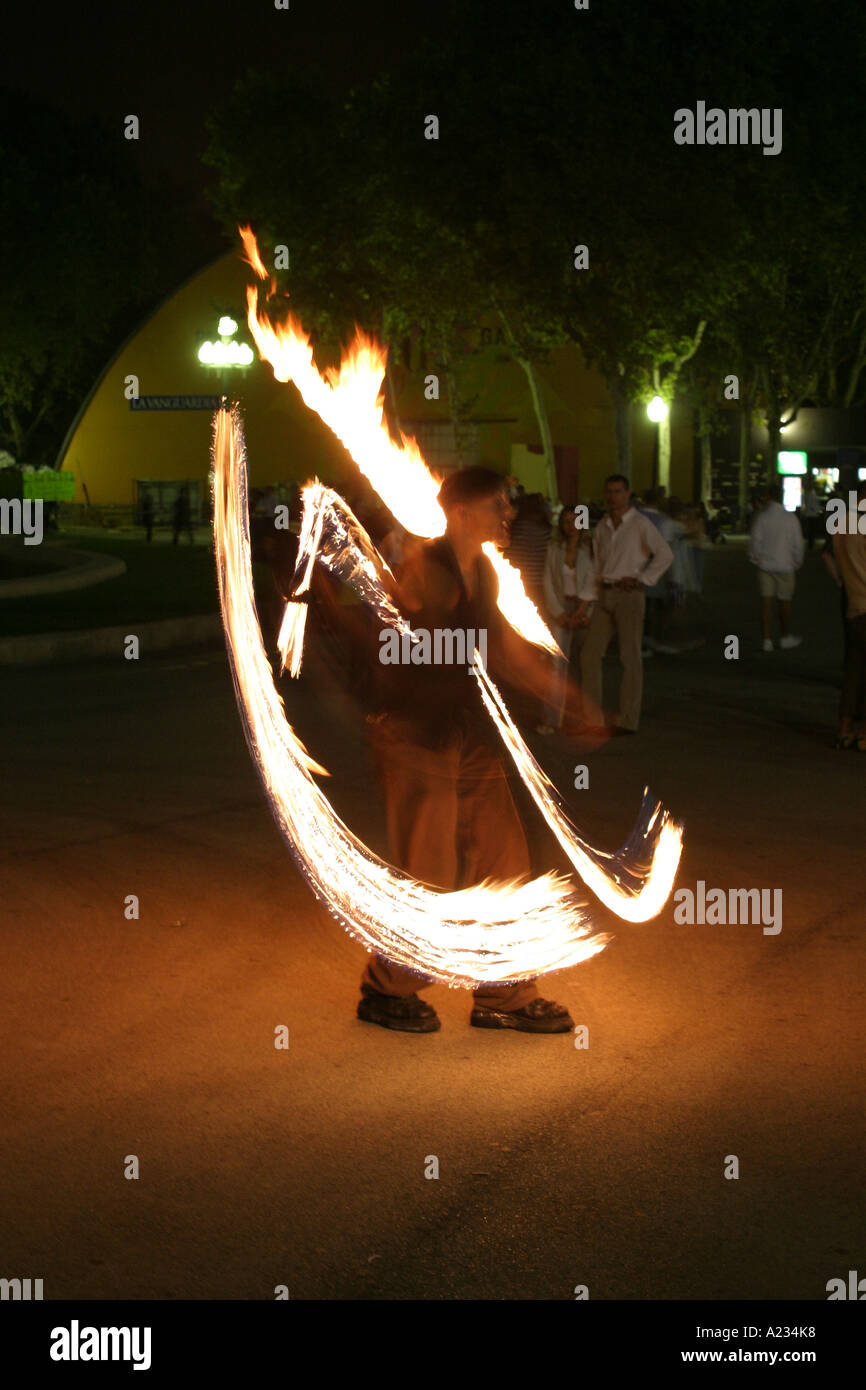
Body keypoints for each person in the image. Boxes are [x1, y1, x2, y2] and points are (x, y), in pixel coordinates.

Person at [357, 467, 597, 1036]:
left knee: (502, 862)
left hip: (467, 733)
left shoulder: (485, 572)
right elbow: (387, 636)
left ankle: (503, 993)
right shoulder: (423, 569)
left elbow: (505, 651)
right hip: (415, 735)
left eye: (507, 504)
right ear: (462, 511)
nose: (508, 513)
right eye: (497, 504)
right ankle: (386, 988)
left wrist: (568, 698)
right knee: (430, 871)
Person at [573, 474, 674, 734]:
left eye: (618, 491)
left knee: (629, 657)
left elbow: (665, 553)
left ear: (627, 494)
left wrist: (643, 578)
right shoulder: (603, 526)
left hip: (628, 594)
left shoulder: (640, 523)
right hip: (605, 591)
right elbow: (596, 567)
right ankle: (592, 718)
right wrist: (585, 603)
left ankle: (628, 720)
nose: (613, 496)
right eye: (609, 491)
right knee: (589, 655)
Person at [537, 504, 592, 734]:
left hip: (584, 608)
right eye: (566, 521)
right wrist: (557, 612)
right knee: (555, 666)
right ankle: (551, 719)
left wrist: (585, 611)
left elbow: (594, 579)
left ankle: (580, 718)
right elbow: (547, 579)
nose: (571, 526)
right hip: (559, 608)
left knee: (583, 666)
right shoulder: (554, 548)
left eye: (575, 521)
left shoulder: (590, 549)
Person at [830, 480, 866, 749]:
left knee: (853, 671)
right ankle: (864, 732)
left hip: (853, 604)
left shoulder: (841, 525)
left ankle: (844, 729)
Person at [748, 483, 805, 651]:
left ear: (769, 496)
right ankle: (784, 636)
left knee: (766, 602)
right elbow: (798, 544)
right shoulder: (790, 518)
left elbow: (755, 542)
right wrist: (797, 561)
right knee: (785, 602)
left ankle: (767, 639)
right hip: (786, 566)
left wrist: (756, 558)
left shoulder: (762, 517)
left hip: (765, 565)